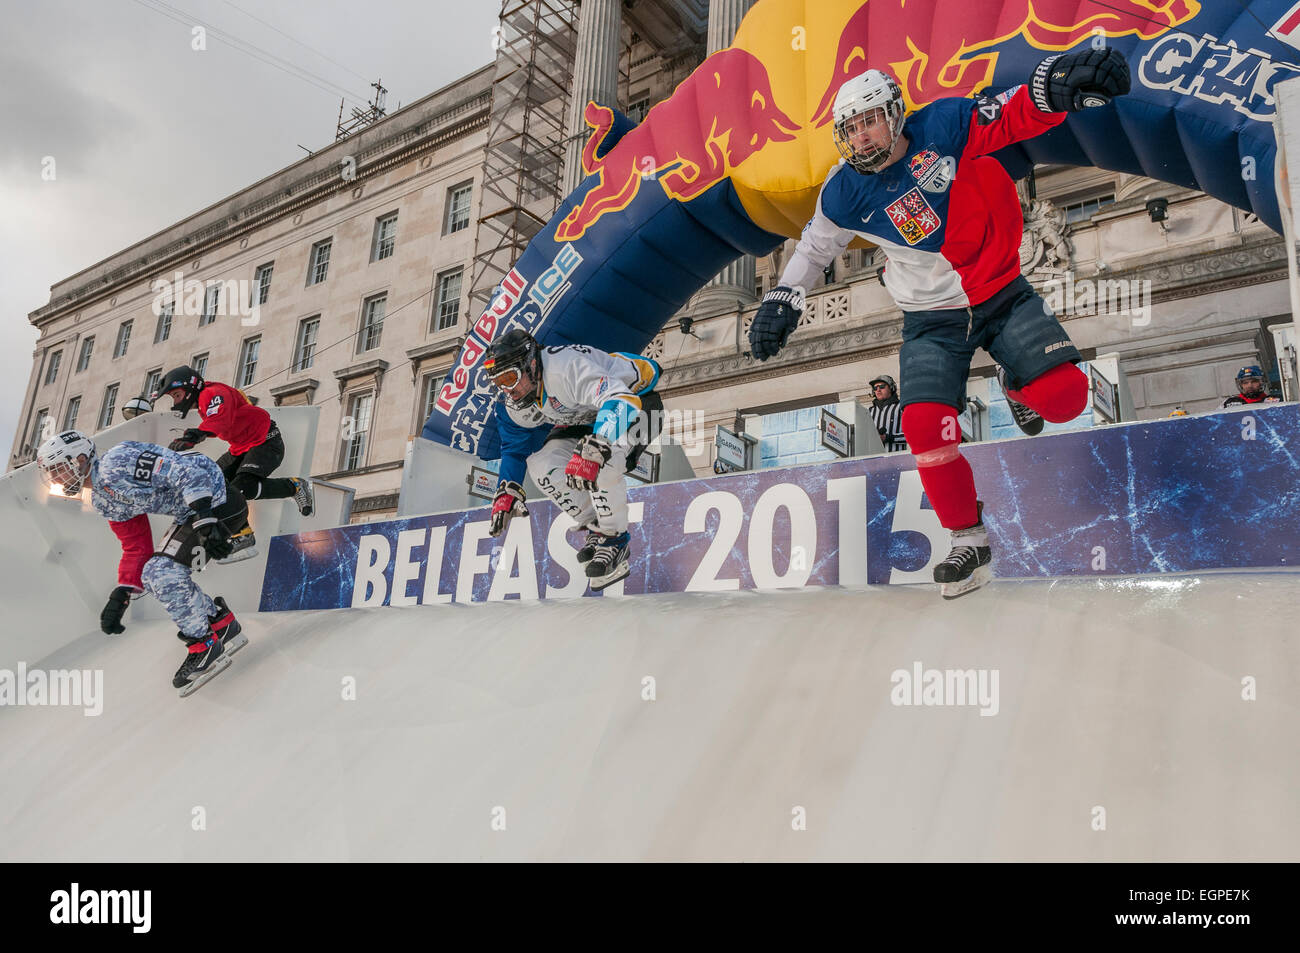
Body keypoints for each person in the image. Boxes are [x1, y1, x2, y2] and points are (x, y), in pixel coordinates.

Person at [749, 49, 1130, 597]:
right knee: (925, 425)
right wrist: (783, 298)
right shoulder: (843, 189)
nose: (862, 137)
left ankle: (1015, 382)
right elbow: (814, 248)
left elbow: (1009, 114)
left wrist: (1052, 89)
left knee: (1068, 398)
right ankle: (966, 538)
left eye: (871, 120)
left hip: (1001, 291)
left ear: (896, 114)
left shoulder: (943, 124)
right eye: (851, 129)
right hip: (931, 318)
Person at [36, 430, 248, 692]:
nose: (55, 478)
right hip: (192, 514)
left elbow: (186, 471)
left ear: (79, 459)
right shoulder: (103, 500)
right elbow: (135, 545)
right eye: (50, 473)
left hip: (217, 500)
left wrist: (206, 519)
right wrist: (122, 593)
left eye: (58, 469)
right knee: (153, 571)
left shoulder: (117, 462)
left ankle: (203, 645)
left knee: (161, 573)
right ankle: (220, 623)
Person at [483, 329, 662, 591]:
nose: (508, 391)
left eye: (510, 378)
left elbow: (622, 399)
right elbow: (514, 448)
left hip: (637, 405)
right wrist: (505, 491)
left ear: (531, 364)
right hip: (583, 418)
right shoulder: (513, 402)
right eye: (499, 384)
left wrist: (598, 445)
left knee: (600, 462)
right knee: (541, 465)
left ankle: (615, 540)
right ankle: (598, 527)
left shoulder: (564, 368)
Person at [157, 366, 314, 560]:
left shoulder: (211, 393)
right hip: (240, 448)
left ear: (190, 388)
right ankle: (243, 529)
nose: (176, 401)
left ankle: (294, 487)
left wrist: (195, 435)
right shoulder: (204, 401)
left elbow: (220, 418)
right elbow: (219, 421)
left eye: (177, 395)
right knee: (211, 483)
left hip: (265, 441)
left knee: (241, 488)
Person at [868, 374, 906, 452]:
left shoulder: (901, 407)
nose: (878, 390)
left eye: (882, 386)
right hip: (874, 460)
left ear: (891, 388)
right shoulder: (869, 412)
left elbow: (913, 435)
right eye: (875, 388)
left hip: (897, 458)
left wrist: (888, 437)